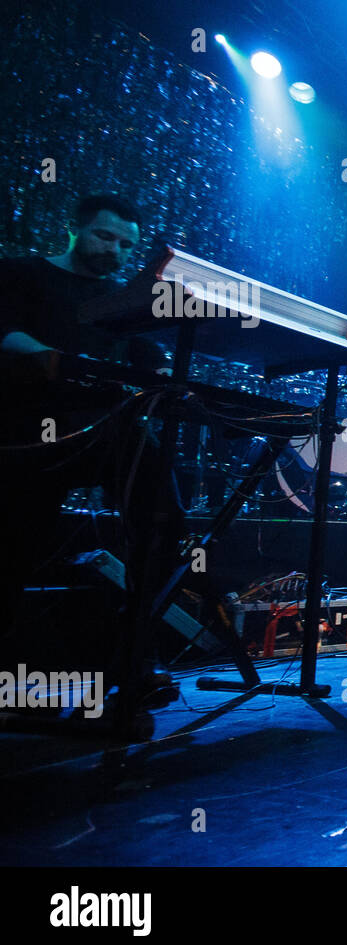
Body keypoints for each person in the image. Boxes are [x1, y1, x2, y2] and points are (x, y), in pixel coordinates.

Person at [0, 194, 179, 715]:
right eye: (106, 237)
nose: (116, 250)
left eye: (127, 245)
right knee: (15, 543)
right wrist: (53, 360)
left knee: (165, 516)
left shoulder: (120, 302)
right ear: (74, 229)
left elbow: (154, 361)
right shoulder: (21, 274)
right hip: (26, 431)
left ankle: (134, 659)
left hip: (103, 431)